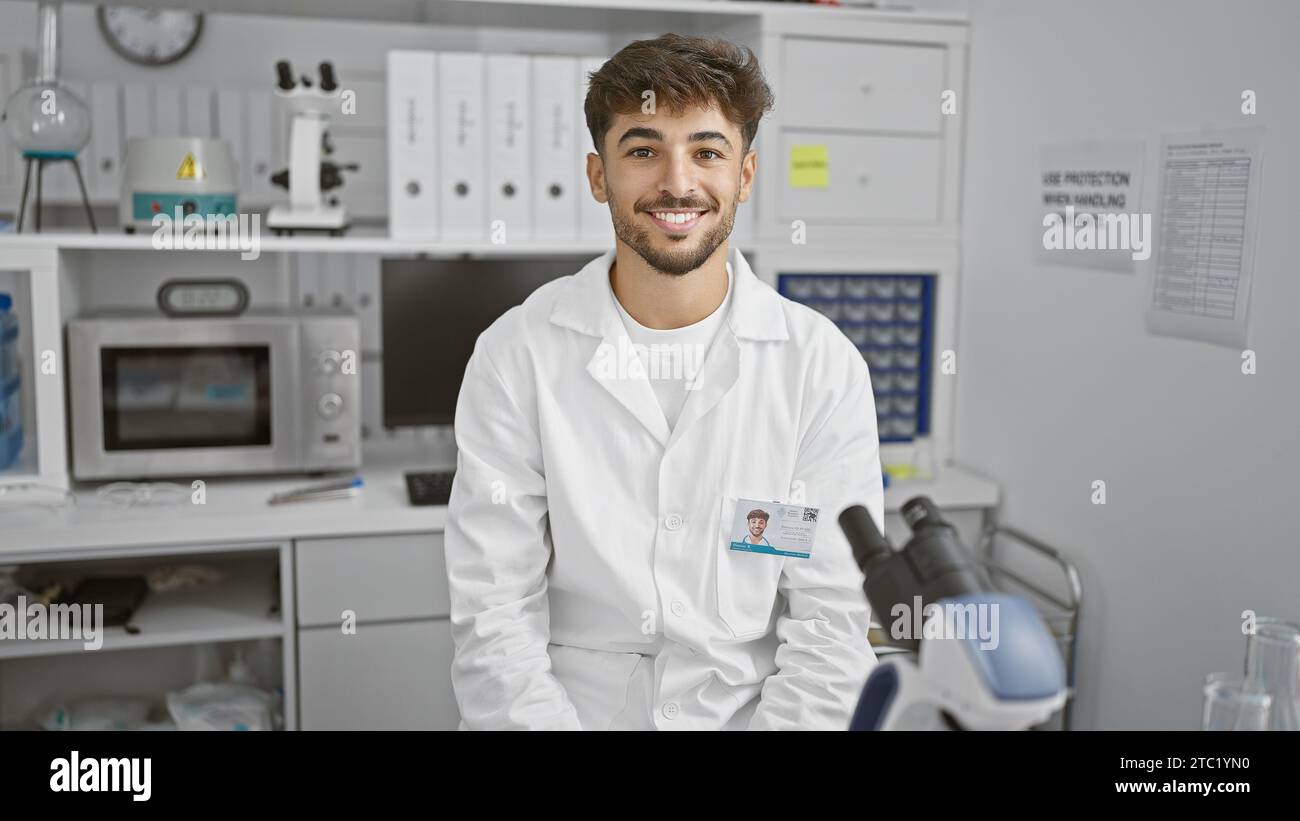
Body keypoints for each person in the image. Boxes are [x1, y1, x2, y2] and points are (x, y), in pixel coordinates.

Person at [445, 33, 884, 730]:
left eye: (707, 151)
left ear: (744, 175)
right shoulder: (516, 355)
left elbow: (833, 622)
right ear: (598, 175)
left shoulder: (820, 369)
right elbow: (494, 614)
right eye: (643, 150)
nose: (677, 183)